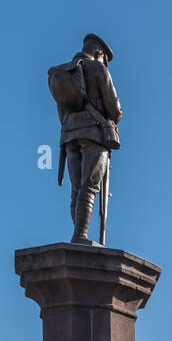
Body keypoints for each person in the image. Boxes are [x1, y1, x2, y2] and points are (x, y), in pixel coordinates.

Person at [57, 33, 122, 245]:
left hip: (69, 136)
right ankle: (80, 235)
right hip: (94, 134)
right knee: (89, 186)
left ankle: (77, 234)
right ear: (99, 53)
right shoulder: (98, 69)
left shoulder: (65, 71)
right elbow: (115, 109)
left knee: (76, 189)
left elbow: (62, 110)